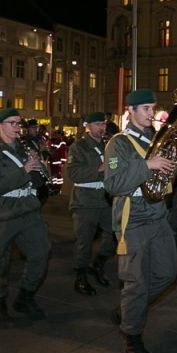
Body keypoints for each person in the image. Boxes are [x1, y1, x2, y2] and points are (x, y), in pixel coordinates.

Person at [103, 89, 177, 353]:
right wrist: (148, 164)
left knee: (168, 272)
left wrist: (174, 165)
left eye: (152, 108)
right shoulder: (119, 143)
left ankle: (128, 309)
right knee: (136, 282)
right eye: (145, 108)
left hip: (157, 214)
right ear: (130, 111)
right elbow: (113, 183)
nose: (151, 113)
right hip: (132, 218)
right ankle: (132, 340)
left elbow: (163, 179)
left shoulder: (155, 139)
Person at [0, 108, 51, 327]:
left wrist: (39, 168)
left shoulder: (25, 149)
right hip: (3, 211)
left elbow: (38, 182)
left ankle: (25, 297)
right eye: (12, 123)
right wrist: (24, 170)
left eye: (19, 123)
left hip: (27, 208)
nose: (17, 127)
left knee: (41, 253)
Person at [67, 112, 115, 296]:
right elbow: (73, 173)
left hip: (105, 198)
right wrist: (98, 169)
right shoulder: (78, 146)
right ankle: (80, 276)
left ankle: (98, 264)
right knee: (84, 241)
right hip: (85, 200)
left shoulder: (108, 144)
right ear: (88, 126)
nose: (101, 127)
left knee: (113, 233)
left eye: (103, 124)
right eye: (97, 124)